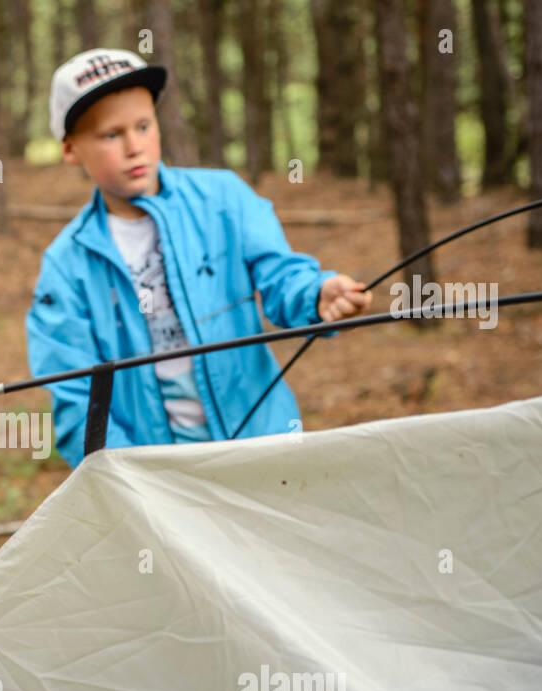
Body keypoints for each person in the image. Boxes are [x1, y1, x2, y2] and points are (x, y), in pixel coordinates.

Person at [26, 49, 373, 467]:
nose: (135, 146)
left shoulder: (223, 200)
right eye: (111, 135)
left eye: (143, 125)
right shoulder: (67, 265)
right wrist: (127, 475)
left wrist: (316, 295)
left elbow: (280, 275)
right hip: (155, 472)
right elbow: (75, 398)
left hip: (262, 447)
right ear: (70, 149)